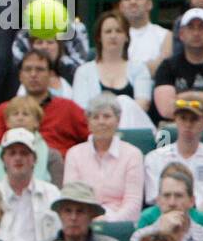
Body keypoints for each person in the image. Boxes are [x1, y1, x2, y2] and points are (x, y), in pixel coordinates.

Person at [62, 94, 144, 223]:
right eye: (95, 117)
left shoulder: (133, 154)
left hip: (120, 224)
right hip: (82, 222)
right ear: (88, 123)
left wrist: (109, 222)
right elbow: (71, 196)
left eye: (107, 116)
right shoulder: (74, 154)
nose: (101, 122)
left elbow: (133, 203)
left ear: (117, 120)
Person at [144, 97, 203, 208]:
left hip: (202, 216)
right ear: (175, 120)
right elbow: (154, 197)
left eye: (194, 119)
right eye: (183, 118)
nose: (188, 124)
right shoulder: (155, 157)